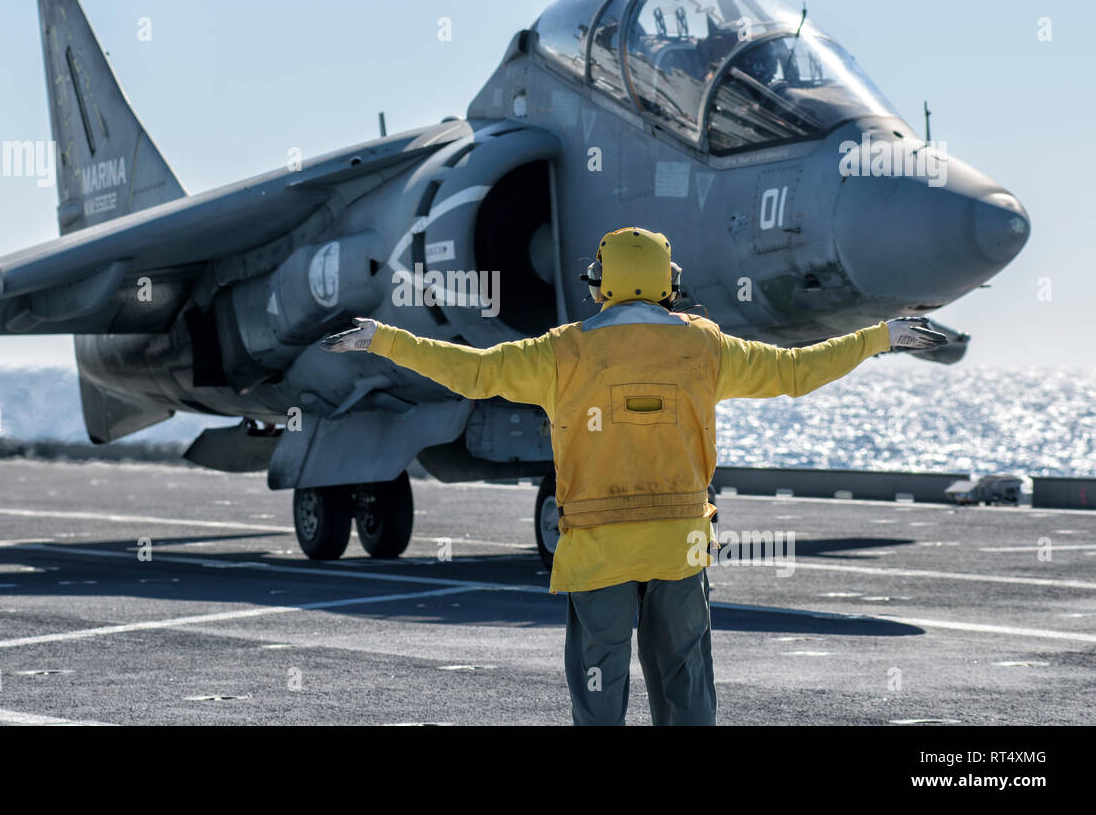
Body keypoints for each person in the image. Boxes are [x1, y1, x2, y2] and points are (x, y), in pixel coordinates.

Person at [321, 227, 946, 725]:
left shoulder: (563, 351)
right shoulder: (706, 347)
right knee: (687, 683)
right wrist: (878, 336)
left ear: (603, 284)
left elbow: (474, 373)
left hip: (598, 549)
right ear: (666, 282)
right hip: (681, 542)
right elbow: (796, 371)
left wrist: (384, 338)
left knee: (599, 686)